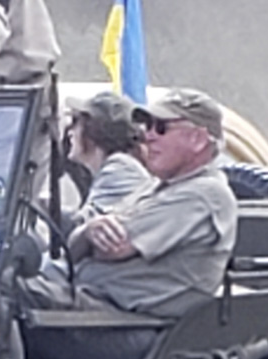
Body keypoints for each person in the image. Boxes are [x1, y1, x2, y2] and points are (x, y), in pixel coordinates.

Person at [26, 88, 238, 319]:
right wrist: (88, 231)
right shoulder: (158, 188)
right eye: (147, 126)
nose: (148, 135)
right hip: (90, 299)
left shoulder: (205, 194)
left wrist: (87, 234)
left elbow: (110, 248)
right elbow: (81, 241)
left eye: (161, 128)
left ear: (197, 140)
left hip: (120, 317)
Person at [62, 91, 150, 235]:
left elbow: (80, 226)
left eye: (76, 122)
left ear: (94, 130)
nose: (70, 132)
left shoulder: (120, 168)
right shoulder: (112, 168)